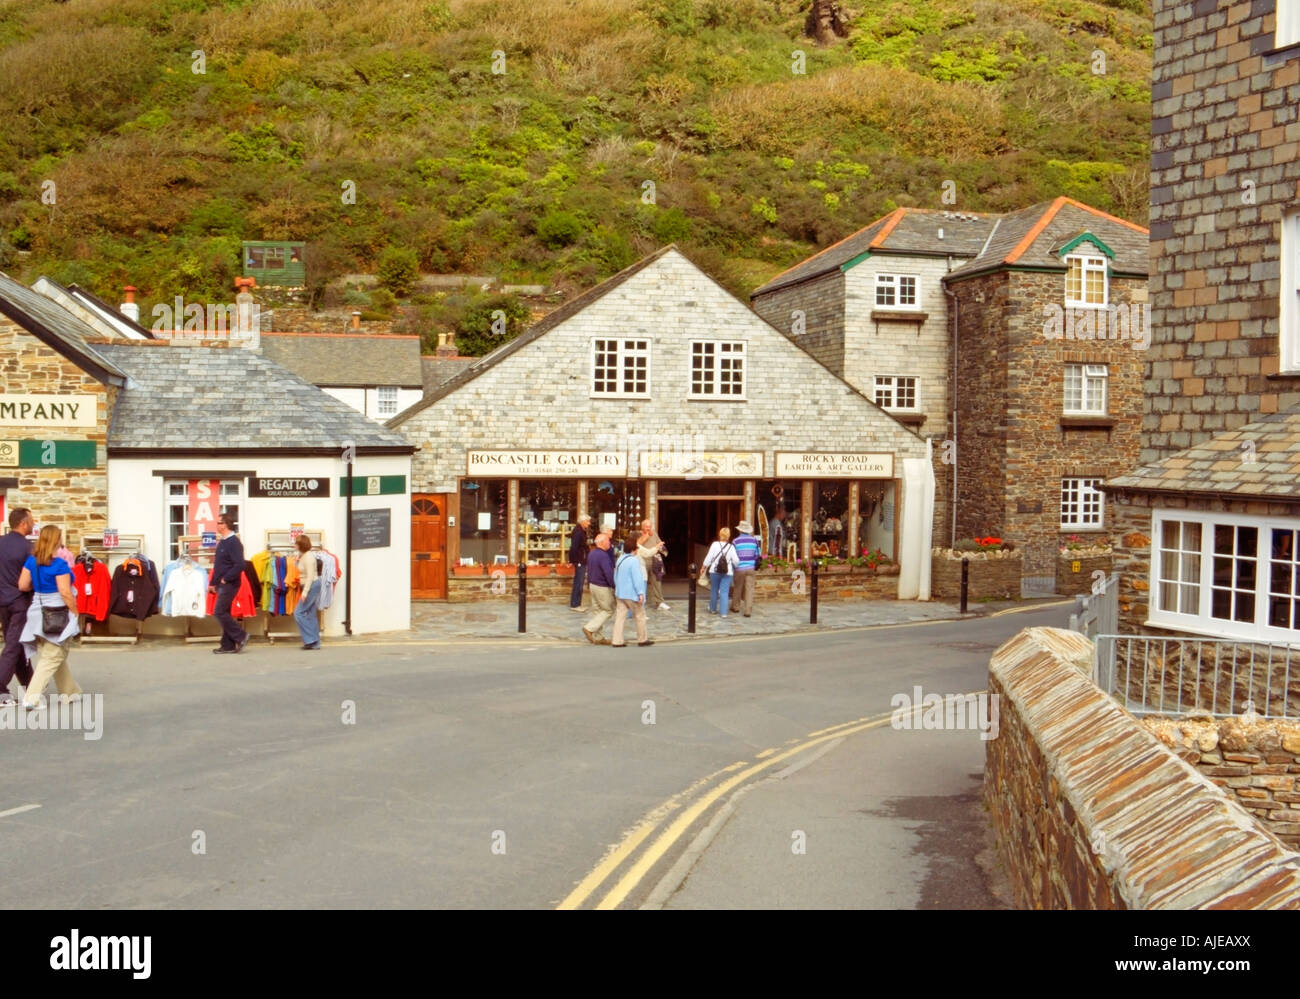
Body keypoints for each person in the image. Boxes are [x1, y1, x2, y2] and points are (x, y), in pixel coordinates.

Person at [16, 524, 81, 709]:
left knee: (50, 652)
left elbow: (22, 585)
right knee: (54, 654)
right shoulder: (59, 565)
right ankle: (32, 698)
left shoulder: (31, 561)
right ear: (56, 540)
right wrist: (75, 611)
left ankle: (70, 692)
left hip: (37, 611)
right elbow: (65, 591)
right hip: (57, 612)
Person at [0, 508, 35, 704]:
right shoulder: (28, 547)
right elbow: (30, 578)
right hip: (20, 601)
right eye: (31, 520)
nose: (33, 523)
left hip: (2, 602)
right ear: (23, 523)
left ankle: (31, 685)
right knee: (13, 645)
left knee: (17, 644)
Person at [210, 513, 248, 654]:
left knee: (219, 612)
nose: (217, 525)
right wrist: (213, 583)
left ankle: (241, 635)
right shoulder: (223, 542)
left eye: (219, 523)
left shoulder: (234, 542)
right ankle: (228, 645)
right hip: (222, 583)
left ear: (225, 525)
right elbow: (219, 565)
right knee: (224, 612)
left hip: (230, 584)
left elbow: (240, 565)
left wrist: (226, 578)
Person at [612, 536, 652, 648]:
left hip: (620, 593)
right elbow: (637, 579)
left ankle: (617, 640)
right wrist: (640, 593)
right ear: (633, 549)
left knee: (620, 617)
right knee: (640, 615)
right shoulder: (634, 561)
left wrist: (618, 588)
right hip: (631, 594)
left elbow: (615, 576)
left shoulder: (620, 559)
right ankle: (642, 639)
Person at [582, 532, 615, 645]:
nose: (609, 543)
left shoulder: (592, 553)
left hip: (593, 585)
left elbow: (589, 570)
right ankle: (589, 628)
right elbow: (608, 573)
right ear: (602, 543)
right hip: (602, 586)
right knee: (608, 610)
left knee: (598, 611)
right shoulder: (603, 555)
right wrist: (614, 586)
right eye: (608, 541)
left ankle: (598, 637)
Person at [293, 534, 322, 650]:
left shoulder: (308, 557)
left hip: (311, 586)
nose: (294, 545)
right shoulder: (304, 555)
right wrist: (296, 561)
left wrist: (304, 593)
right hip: (310, 585)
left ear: (301, 545)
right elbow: (302, 571)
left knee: (298, 613)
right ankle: (315, 643)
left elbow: (310, 576)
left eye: (296, 543)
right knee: (310, 614)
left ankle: (310, 639)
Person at [704, 527, 739, 617]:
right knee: (724, 592)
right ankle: (723, 613)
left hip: (714, 571)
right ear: (728, 536)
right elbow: (736, 561)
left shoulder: (715, 544)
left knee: (714, 590)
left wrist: (704, 567)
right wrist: (734, 566)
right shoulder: (731, 547)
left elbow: (709, 557)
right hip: (727, 573)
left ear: (720, 534)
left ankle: (712, 609)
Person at [637, 519, 670, 611]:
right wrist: (645, 537)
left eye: (649, 526)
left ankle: (659, 602)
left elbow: (659, 544)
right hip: (642, 562)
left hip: (654, 561)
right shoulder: (638, 534)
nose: (648, 528)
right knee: (641, 583)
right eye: (646, 527)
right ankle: (640, 604)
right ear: (642, 527)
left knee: (657, 582)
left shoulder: (654, 533)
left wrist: (663, 549)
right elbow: (636, 545)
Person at [731, 520, 761, 618]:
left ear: (740, 530)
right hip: (751, 567)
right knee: (749, 589)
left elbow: (733, 556)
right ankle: (748, 610)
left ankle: (736, 607)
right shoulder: (754, 541)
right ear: (748, 530)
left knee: (737, 587)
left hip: (739, 568)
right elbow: (758, 555)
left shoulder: (735, 541)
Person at [569, 514, 591, 611]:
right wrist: (573, 560)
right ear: (582, 521)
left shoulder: (581, 531)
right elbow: (574, 547)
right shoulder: (578, 532)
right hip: (579, 560)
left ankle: (577, 603)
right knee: (579, 581)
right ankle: (575, 604)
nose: (589, 523)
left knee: (579, 581)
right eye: (587, 521)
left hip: (581, 559)